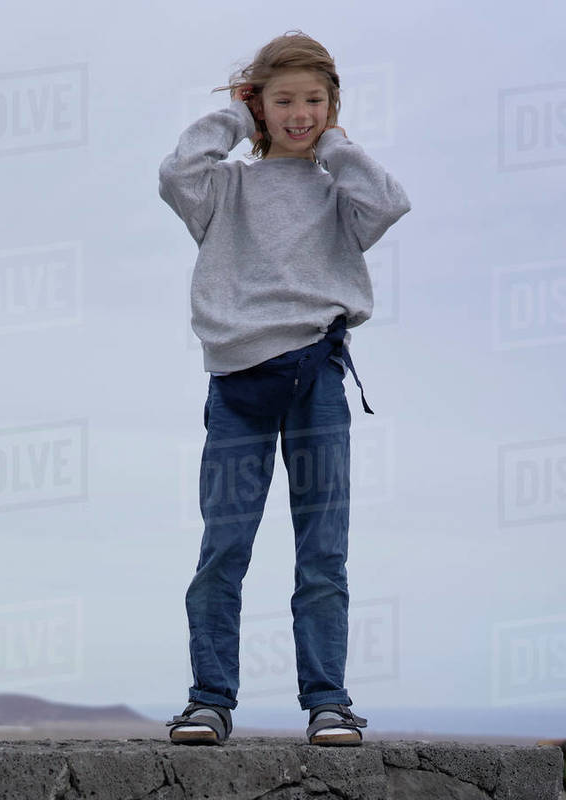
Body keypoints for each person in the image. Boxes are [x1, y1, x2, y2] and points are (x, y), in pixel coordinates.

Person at [157, 30, 411, 746]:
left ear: (332, 106)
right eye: (283, 100)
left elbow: (389, 203)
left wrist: (334, 146)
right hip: (238, 385)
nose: (299, 112)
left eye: (314, 100)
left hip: (318, 382)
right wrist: (236, 121)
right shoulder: (225, 190)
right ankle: (209, 700)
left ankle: (328, 701)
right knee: (223, 549)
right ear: (260, 105)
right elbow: (177, 172)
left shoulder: (339, 194)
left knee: (323, 550)